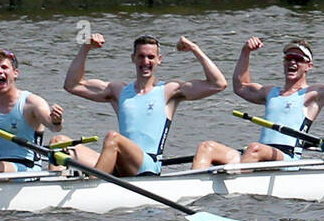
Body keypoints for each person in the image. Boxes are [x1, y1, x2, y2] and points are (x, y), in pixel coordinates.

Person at [60, 33, 226, 176]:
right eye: (141, 56)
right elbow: (72, 85)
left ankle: (92, 189)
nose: (145, 61)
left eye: (151, 57)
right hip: (121, 161)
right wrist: (86, 48)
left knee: (113, 138)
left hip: (148, 165)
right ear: (133, 58)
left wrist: (194, 49)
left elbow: (218, 84)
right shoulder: (118, 90)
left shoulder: (170, 91)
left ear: (159, 60)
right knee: (59, 143)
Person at [191, 33, 324, 170]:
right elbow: (240, 86)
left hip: (286, 158)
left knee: (254, 149)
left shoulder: (313, 95)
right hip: (260, 154)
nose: (293, 62)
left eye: (299, 59)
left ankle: (237, 191)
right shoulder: (270, 93)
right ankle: (191, 190)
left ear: (309, 66)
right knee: (207, 147)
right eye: (289, 58)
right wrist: (245, 52)